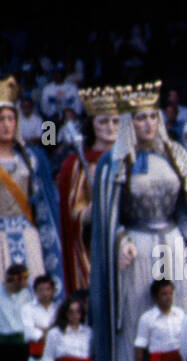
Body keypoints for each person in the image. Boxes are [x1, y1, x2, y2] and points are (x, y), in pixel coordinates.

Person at [88, 80, 187, 361]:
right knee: (138, 321)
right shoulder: (116, 161)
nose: (148, 124)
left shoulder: (174, 154)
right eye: (140, 118)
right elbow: (109, 216)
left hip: (174, 244)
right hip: (137, 246)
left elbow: (185, 207)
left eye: (153, 116)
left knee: (182, 319)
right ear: (129, 123)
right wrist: (120, 238)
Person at [0, 76, 64, 301]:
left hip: (28, 233)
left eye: (10, 119)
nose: (6, 124)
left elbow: (44, 203)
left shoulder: (32, 158)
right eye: (1, 119)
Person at [57, 86, 120, 296]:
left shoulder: (133, 159)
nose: (110, 127)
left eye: (115, 121)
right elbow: (72, 212)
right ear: (92, 125)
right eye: (103, 121)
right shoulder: (76, 164)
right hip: (94, 244)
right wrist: (90, 212)